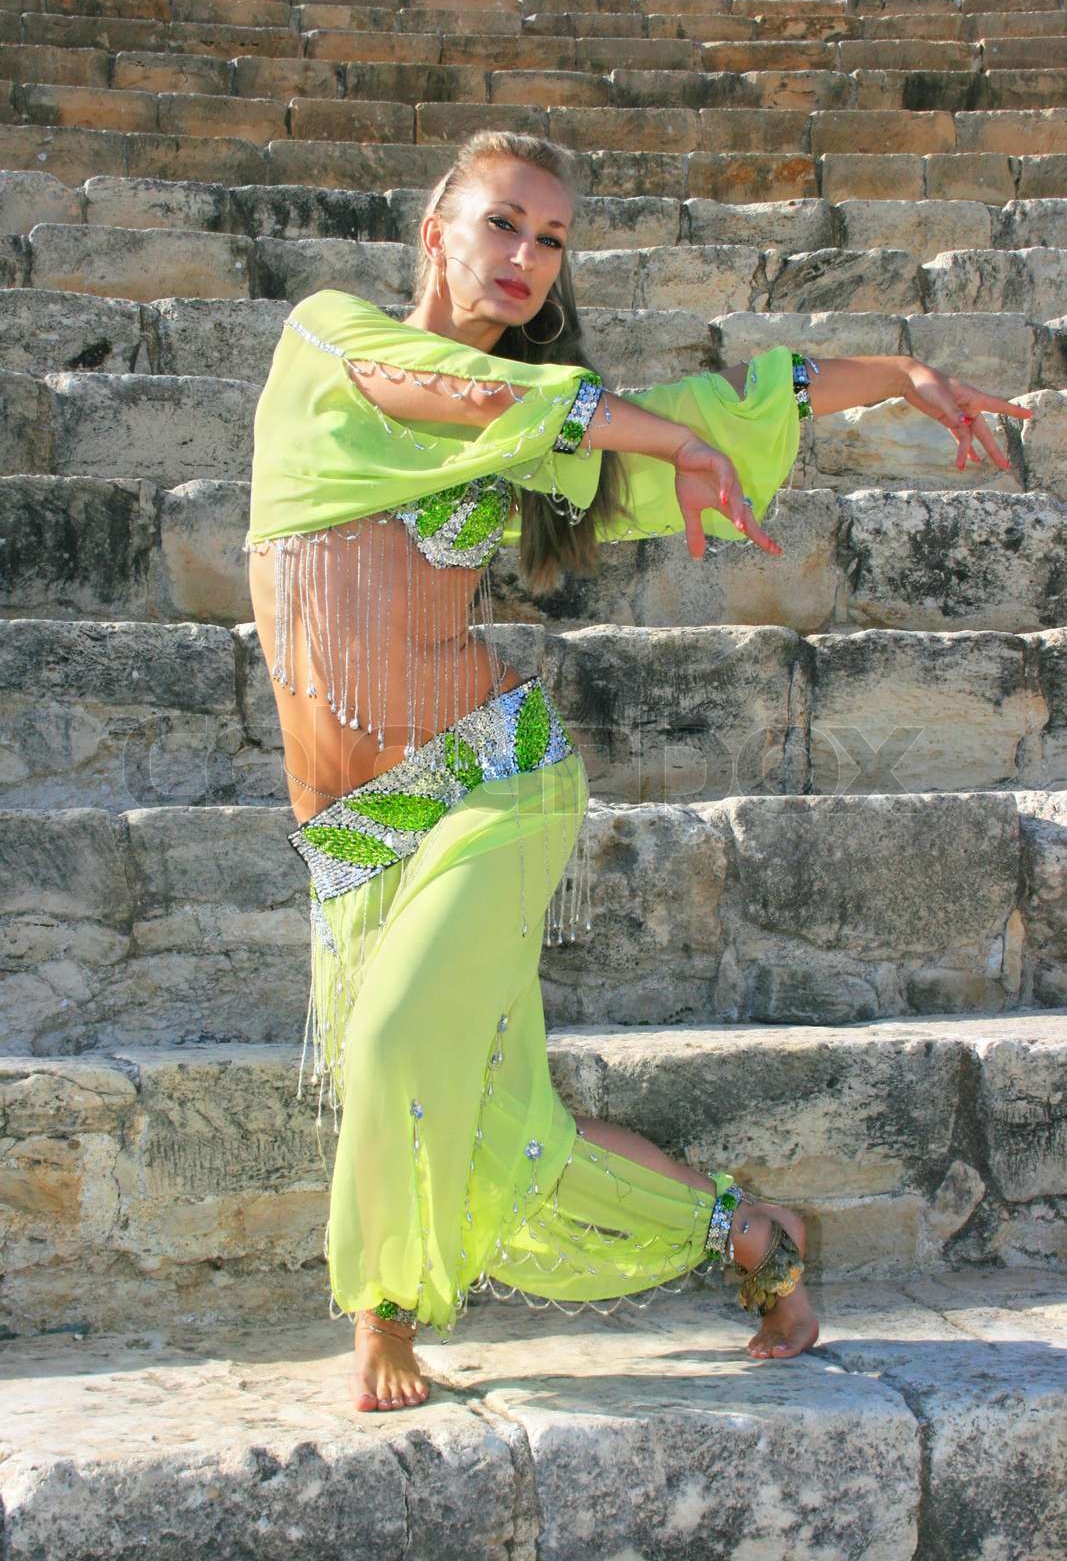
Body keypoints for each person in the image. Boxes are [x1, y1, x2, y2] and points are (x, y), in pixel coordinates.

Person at [244, 129, 1033, 1414]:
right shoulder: (329, 342)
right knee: (509, 1146)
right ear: (436, 228)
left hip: (487, 788)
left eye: (550, 241)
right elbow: (445, 386)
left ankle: (382, 1318)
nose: (525, 258)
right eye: (503, 223)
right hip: (350, 834)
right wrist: (642, 430)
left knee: (392, 1051)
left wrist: (889, 374)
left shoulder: (551, 434)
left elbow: (713, 417)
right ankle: (751, 1241)